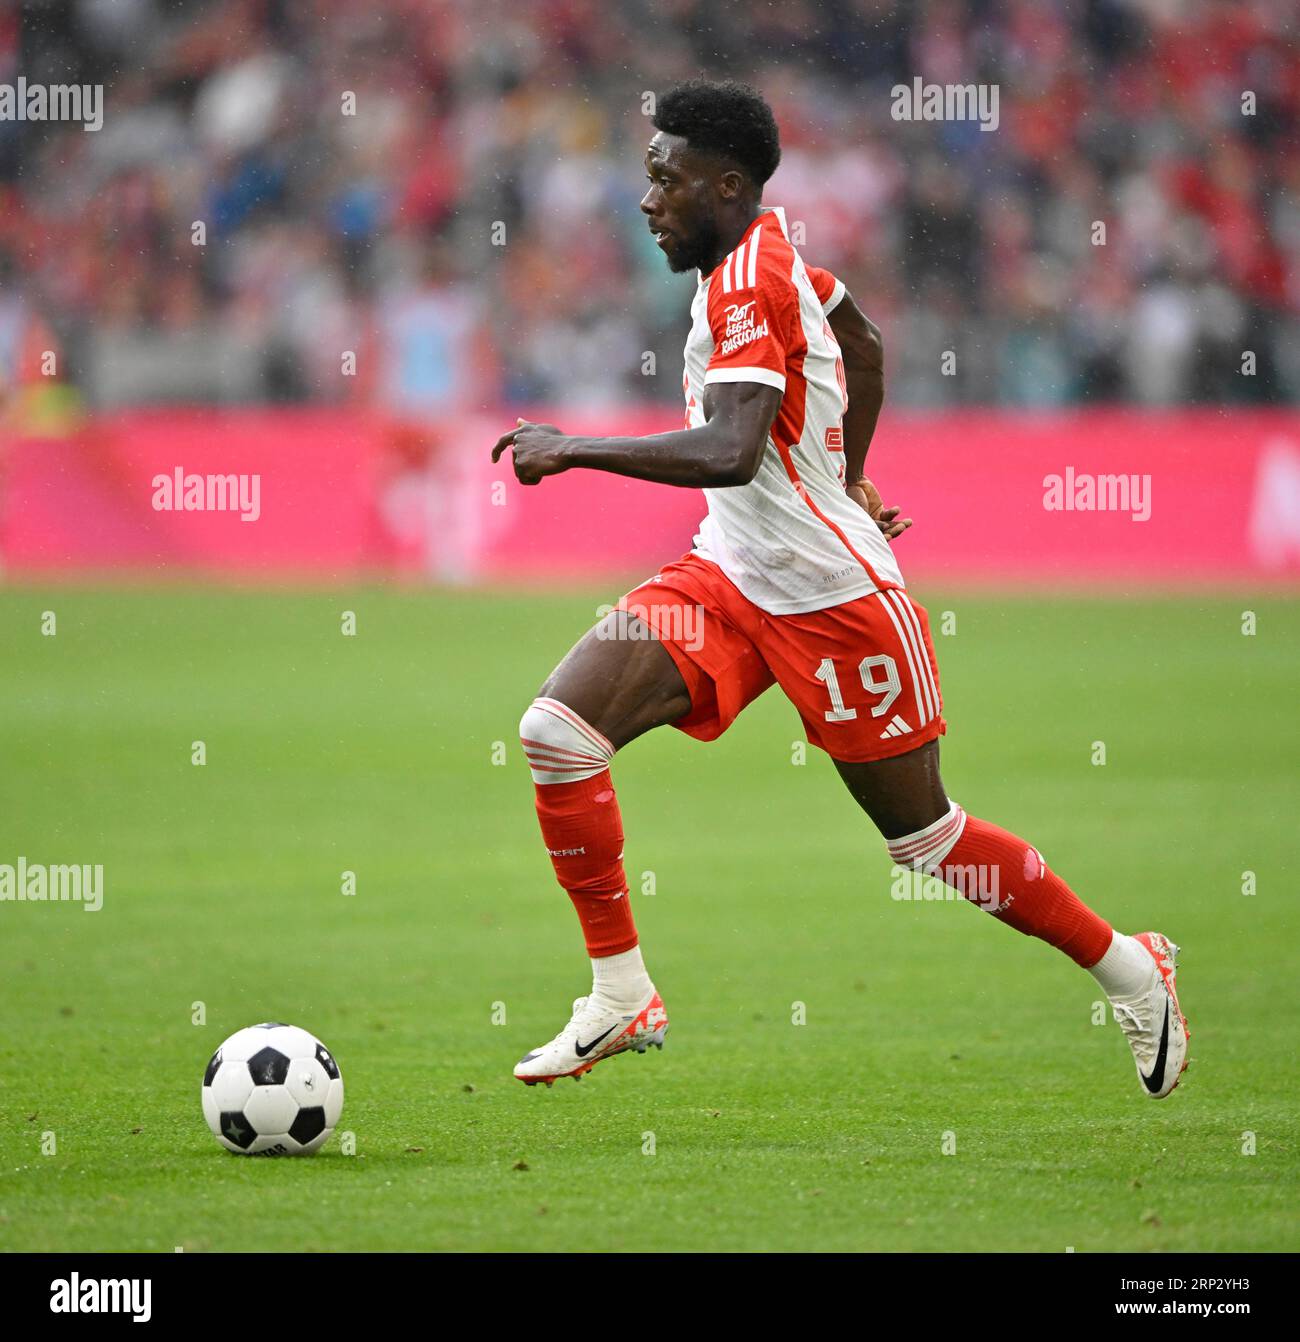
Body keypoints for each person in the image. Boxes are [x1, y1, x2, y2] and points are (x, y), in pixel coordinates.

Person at [492, 80, 1188, 1098]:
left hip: (832, 598)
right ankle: (619, 993)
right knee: (558, 731)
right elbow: (859, 340)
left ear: (725, 185)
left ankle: (1131, 969)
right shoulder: (761, 257)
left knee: (926, 839)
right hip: (733, 573)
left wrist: (573, 446)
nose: (645, 200)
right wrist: (850, 472)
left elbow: (732, 448)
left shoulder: (745, 283)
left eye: (663, 178)